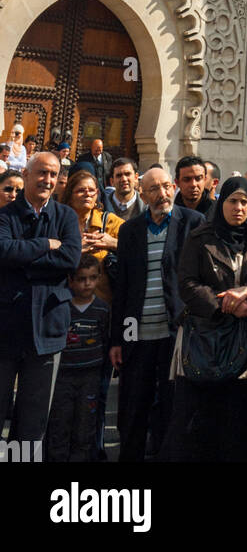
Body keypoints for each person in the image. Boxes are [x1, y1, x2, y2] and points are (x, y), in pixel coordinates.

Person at [172, 176, 247, 462]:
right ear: (221, 204)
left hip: (245, 348)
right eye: (232, 201)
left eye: (245, 202)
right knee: (202, 422)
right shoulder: (200, 238)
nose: (239, 208)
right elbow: (187, 285)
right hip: (205, 342)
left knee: (239, 425)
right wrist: (225, 305)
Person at [109, 166, 202, 462]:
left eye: (165, 186)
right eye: (154, 189)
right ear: (142, 193)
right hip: (137, 334)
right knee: (134, 407)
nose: (162, 194)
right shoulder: (130, 230)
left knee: (172, 408)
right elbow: (122, 286)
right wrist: (117, 340)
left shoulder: (193, 222)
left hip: (176, 334)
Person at [0, 152, 81, 443]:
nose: (47, 180)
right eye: (41, 173)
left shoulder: (66, 216)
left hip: (47, 329)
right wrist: (45, 244)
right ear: (26, 174)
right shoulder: (5, 216)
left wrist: (22, 258)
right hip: (6, 328)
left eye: (53, 174)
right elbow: (3, 251)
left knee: (32, 423)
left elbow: (70, 258)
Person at [44, 257, 110, 462]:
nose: (87, 284)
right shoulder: (62, 307)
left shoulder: (102, 309)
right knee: (59, 425)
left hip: (90, 376)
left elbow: (107, 340)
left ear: (99, 278)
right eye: (81, 279)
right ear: (70, 280)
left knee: (85, 427)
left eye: (92, 278)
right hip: (63, 375)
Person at [64, 168, 124, 301]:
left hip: (104, 305)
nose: (87, 194)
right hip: (67, 304)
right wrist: (74, 250)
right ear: (70, 194)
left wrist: (113, 243)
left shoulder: (110, 222)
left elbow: (138, 248)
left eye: (91, 190)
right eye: (81, 190)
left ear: (97, 193)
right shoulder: (59, 223)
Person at [174, 155, 215, 222]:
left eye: (198, 178)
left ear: (205, 180)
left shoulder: (219, 211)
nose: (193, 184)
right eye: (187, 179)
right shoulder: (170, 213)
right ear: (177, 182)